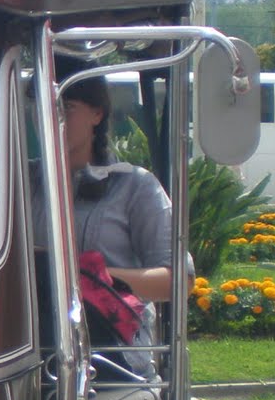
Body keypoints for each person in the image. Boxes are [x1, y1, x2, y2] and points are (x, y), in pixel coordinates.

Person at [57, 56, 188, 375]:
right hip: (34, 357)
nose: (51, 116)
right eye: (40, 103)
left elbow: (179, 282)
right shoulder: (16, 184)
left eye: (67, 106)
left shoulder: (134, 186)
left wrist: (90, 278)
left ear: (97, 114)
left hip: (115, 362)